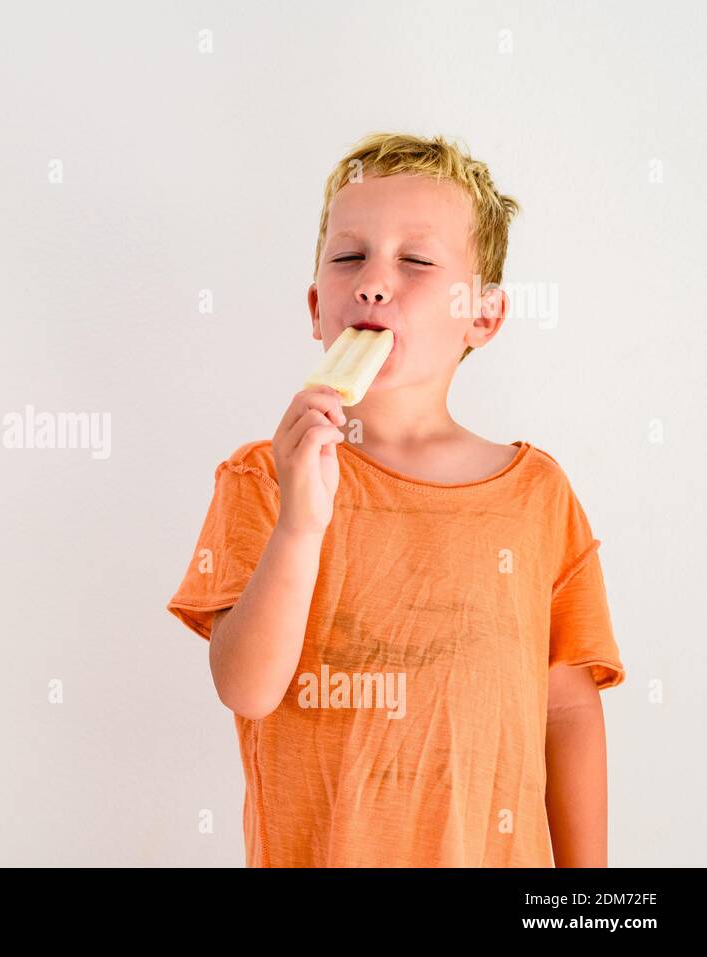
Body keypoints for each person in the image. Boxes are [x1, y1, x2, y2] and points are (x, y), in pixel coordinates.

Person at [165, 132, 624, 867]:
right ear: (318, 307)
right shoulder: (262, 479)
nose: (375, 281)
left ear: (483, 315)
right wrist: (300, 525)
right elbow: (247, 690)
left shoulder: (537, 496)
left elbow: (567, 710)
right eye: (350, 257)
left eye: (415, 260)